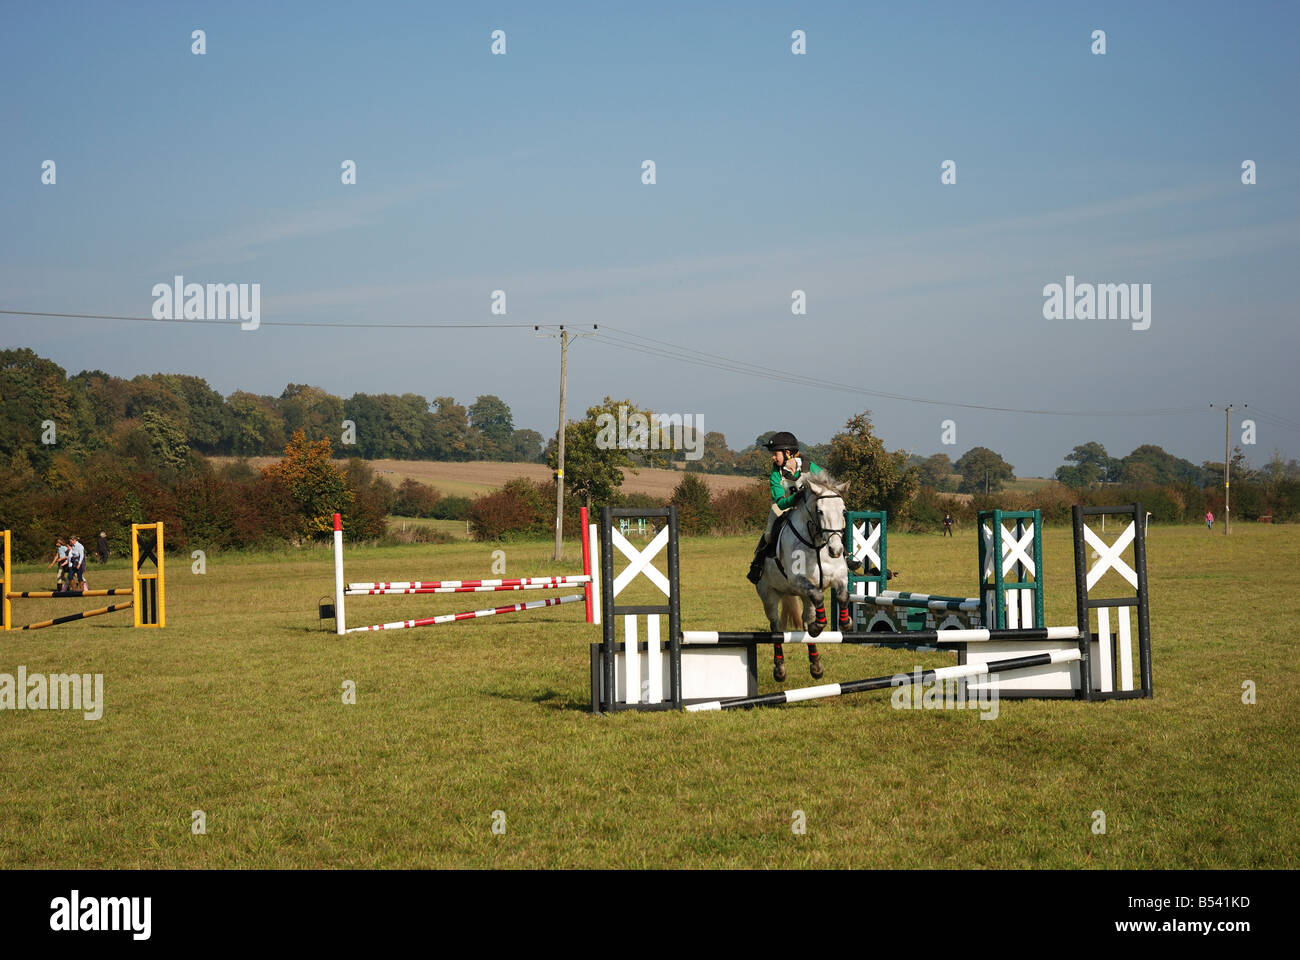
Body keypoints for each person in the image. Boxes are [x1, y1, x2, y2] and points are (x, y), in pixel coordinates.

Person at [747, 432, 862, 584]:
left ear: (788, 453)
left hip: (808, 509)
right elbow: (781, 503)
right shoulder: (776, 474)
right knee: (768, 535)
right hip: (783, 508)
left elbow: (828, 485)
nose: (773, 457)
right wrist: (797, 497)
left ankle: (846, 558)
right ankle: (758, 565)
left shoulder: (810, 466)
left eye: (775, 454)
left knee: (839, 524)